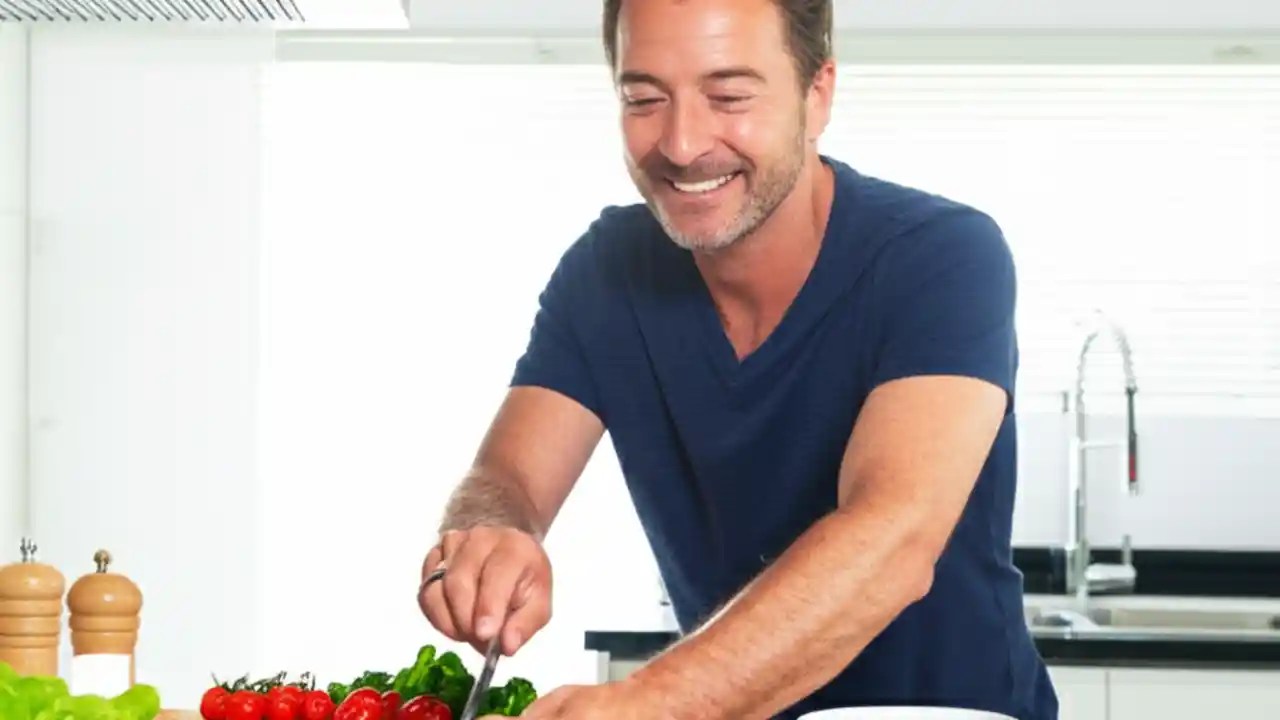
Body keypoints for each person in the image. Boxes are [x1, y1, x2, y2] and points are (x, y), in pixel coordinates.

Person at [417, 0, 1059, 717]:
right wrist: (491, 532)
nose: (684, 143)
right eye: (643, 99)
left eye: (729, 97)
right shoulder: (606, 273)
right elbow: (508, 478)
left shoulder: (940, 257)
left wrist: (655, 702)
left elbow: (893, 538)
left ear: (817, 95)